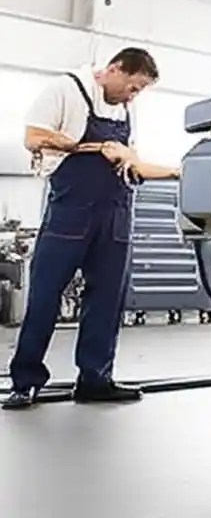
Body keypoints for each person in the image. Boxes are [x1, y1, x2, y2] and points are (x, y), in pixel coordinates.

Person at [3, 48, 180, 410]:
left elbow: (131, 161)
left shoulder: (126, 108)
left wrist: (173, 169)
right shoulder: (66, 89)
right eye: (132, 87)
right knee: (45, 297)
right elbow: (34, 138)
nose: (134, 96)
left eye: (139, 90)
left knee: (107, 300)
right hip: (70, 213)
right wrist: (96, 147)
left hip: (115, 215)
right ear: (113, 69)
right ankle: (26, 380)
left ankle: (96, 380)